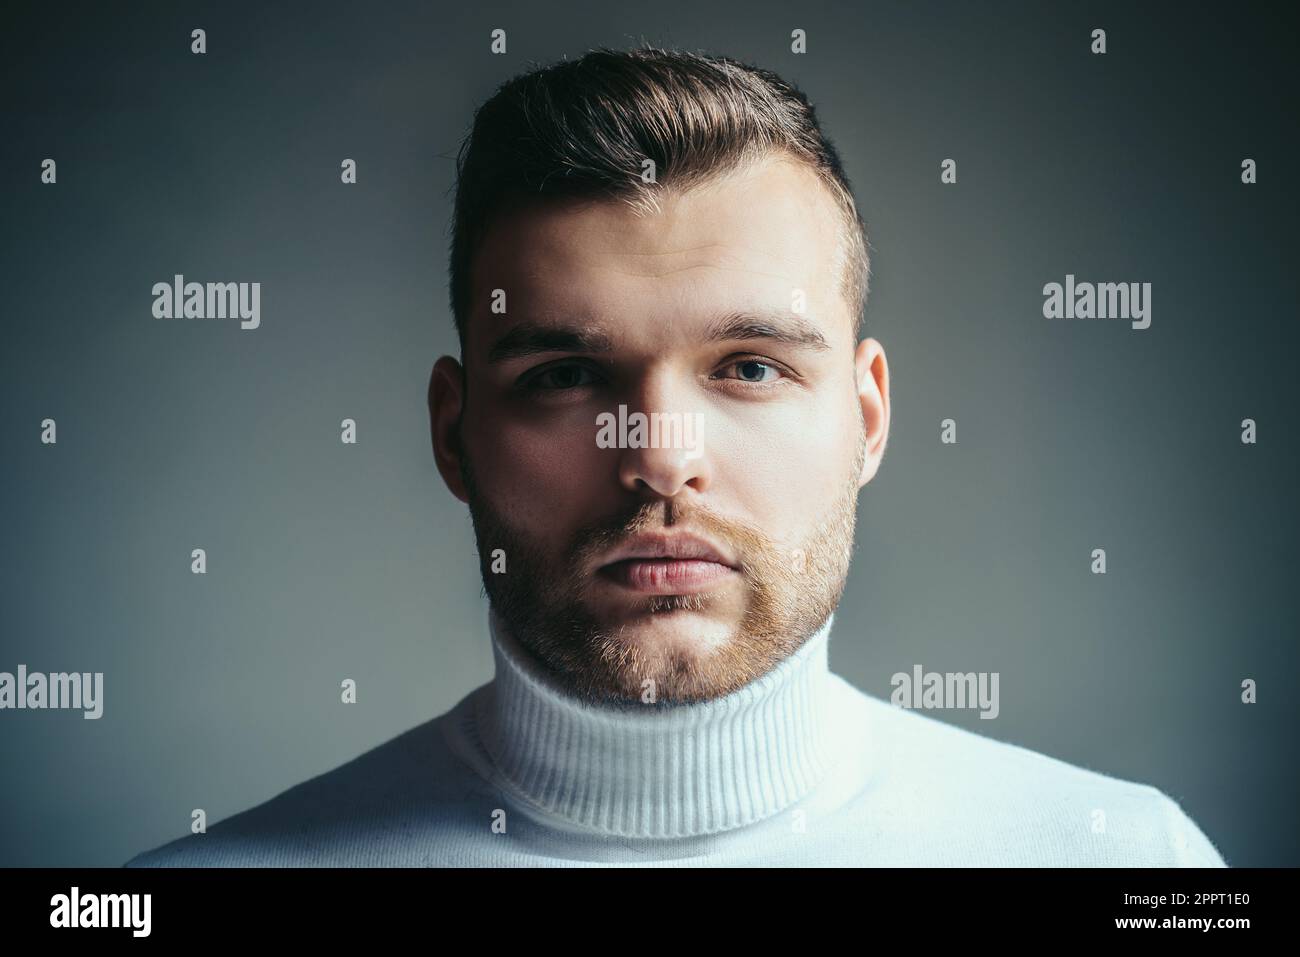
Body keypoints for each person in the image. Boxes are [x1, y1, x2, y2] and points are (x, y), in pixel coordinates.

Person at [126, 46, 1226, 867]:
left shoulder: (1130, 864)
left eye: (748, 368)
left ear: (869, 418)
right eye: (563, 374)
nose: (656, 457)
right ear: (452, 432)